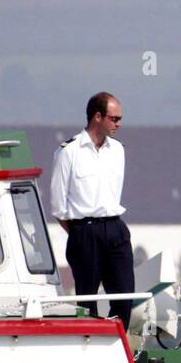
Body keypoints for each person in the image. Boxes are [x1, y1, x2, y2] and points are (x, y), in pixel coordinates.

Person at [50, 91, 135, 332]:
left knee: (124, 297)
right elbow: (58, 206)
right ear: (97, 117)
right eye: (114, 118)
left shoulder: (118, 150)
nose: (119, 124)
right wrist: (80, 233)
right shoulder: (68, 152)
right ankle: (89, 345)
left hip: (116, 228)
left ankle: (117, 347)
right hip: (85, 231)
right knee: (87, 302)